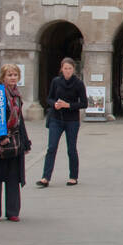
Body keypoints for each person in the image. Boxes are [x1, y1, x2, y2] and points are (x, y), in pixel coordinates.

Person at [0, 64, 32, 221]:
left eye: (15, 75)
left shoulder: (16, 95)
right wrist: (1, 137)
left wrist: (25, 141)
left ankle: (13, 211)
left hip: (15, 139)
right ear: (3, 77)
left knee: (13, 177)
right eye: (9, 75)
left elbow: (20, 120)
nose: (12, 77)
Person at [37, 57, 88, 186]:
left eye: (70, 68)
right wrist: (55, 104)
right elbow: (49, 98)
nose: (67, 71)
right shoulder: (56, 81)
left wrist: (68, 105)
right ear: (61, 69)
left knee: (71, 149)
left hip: (72, 120)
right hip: (56, 118)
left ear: (73, 69)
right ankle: (45, 177)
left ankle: (73, 176)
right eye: (65, 68)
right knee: (51, 147)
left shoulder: (78, 83)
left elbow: (84, 103)